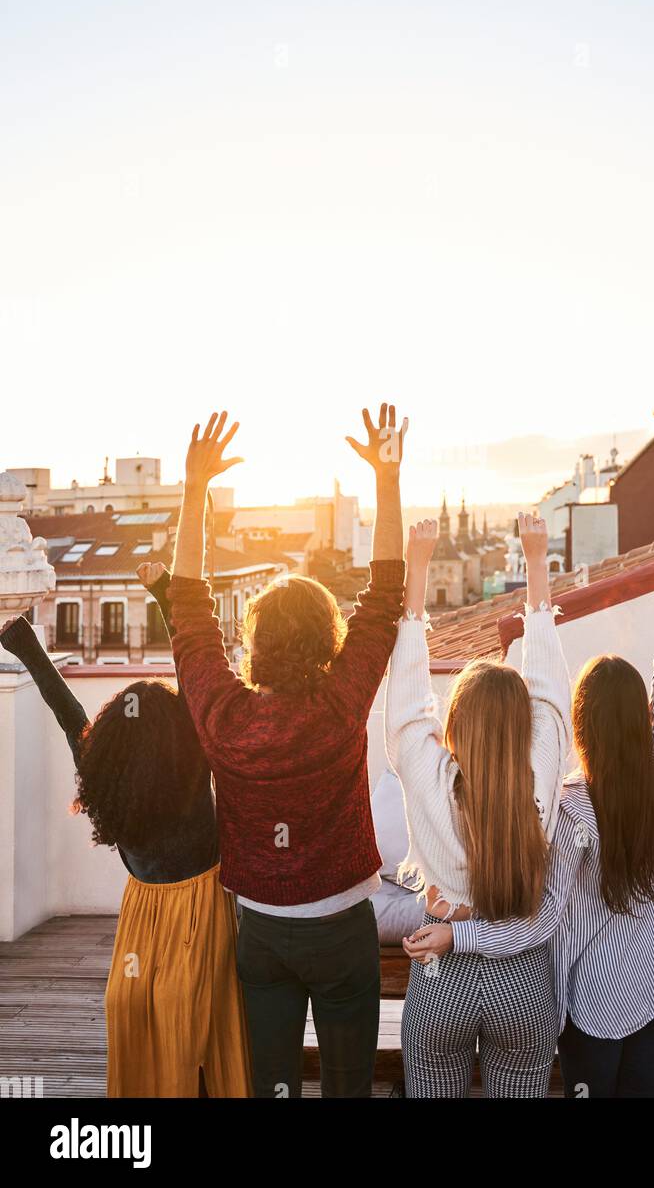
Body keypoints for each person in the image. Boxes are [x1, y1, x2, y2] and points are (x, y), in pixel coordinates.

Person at [404, 521, 654, 1098]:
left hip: (592, 1007)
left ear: (579, 729)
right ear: (643, 721)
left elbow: (540, 921)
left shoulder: (573, 813)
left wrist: (459, 933)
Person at [167, 405, 406, 1098]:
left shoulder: (223, 715)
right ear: (328, 641)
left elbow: (186, 608)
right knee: (347, 1086)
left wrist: (193, 488)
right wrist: (387, 479)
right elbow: (385, 595)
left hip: (262, 933)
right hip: (341, 930)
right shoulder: (340, 706)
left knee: (272, 1086)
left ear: (256, 643)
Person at [0, 567, 251, 1098]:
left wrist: (23, 643)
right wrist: (163, 595)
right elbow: (194, 674)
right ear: (179, 734)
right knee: (198, 1016)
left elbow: (67, 711)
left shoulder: (101, 766)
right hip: (202, 912)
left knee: (140, 1011)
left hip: (143, 913)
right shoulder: (190, 760)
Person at [385, 512, 571, 1098]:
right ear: (525, 724)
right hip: (523, 985)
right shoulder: (541, 770)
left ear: (455, 721)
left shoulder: (427, 771)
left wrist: (416, 570)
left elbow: (410, 697)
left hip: (442, 979)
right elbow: (547, 686)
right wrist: (536, 560)